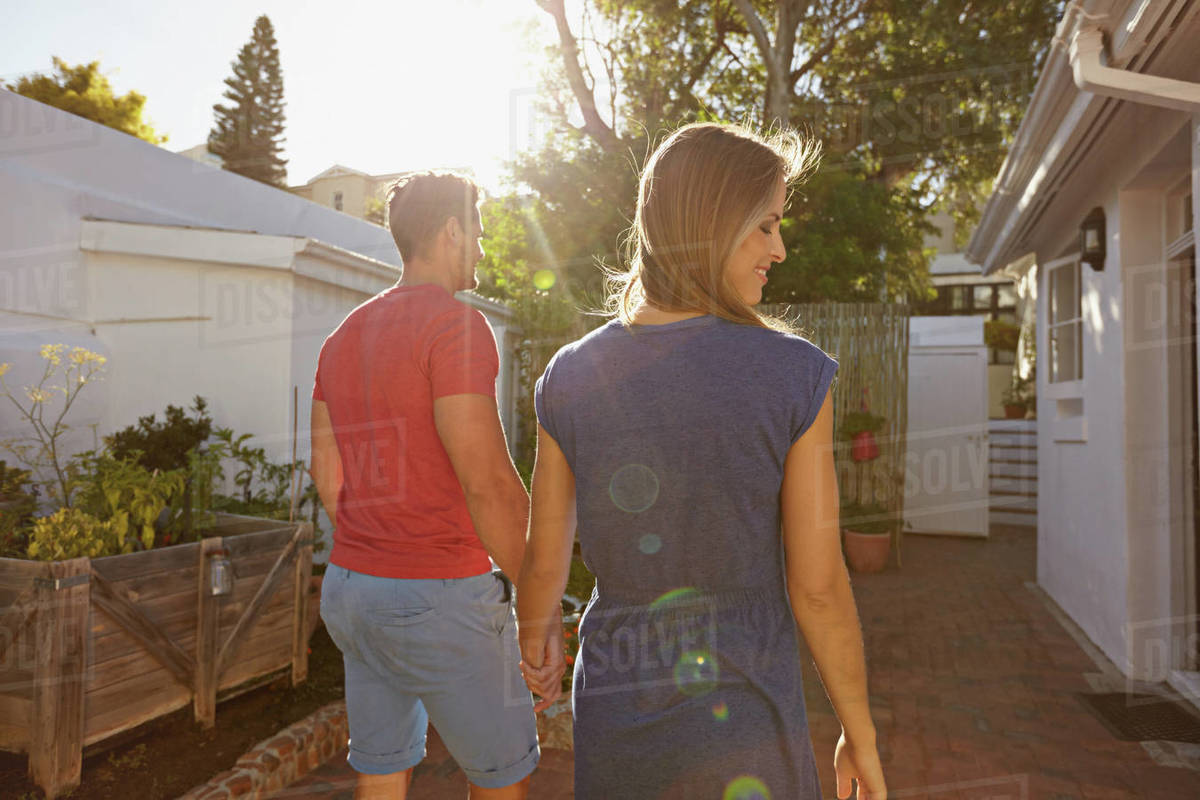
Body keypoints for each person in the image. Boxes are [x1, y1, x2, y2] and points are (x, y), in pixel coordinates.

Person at [516, 123, 887, 799]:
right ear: (713, 225)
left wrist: (535, 638)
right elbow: (817, 587)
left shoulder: (568, 376)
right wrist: (857, 731)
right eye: (765, 226)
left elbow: (545, 560)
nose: (779, 248)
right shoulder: (794, 375)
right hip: (746, 723)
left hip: (616, 712)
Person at [310, 171, 539, 800]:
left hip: (352, 588)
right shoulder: (455, 327)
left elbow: (325, 470)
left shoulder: (342, 337)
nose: (483, 250)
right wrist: (538, 595)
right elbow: (488, 482)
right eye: (479, 233)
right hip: (438, 594)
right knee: (501, 775)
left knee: (383, 766)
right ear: (451, 231)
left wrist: (376, 545)